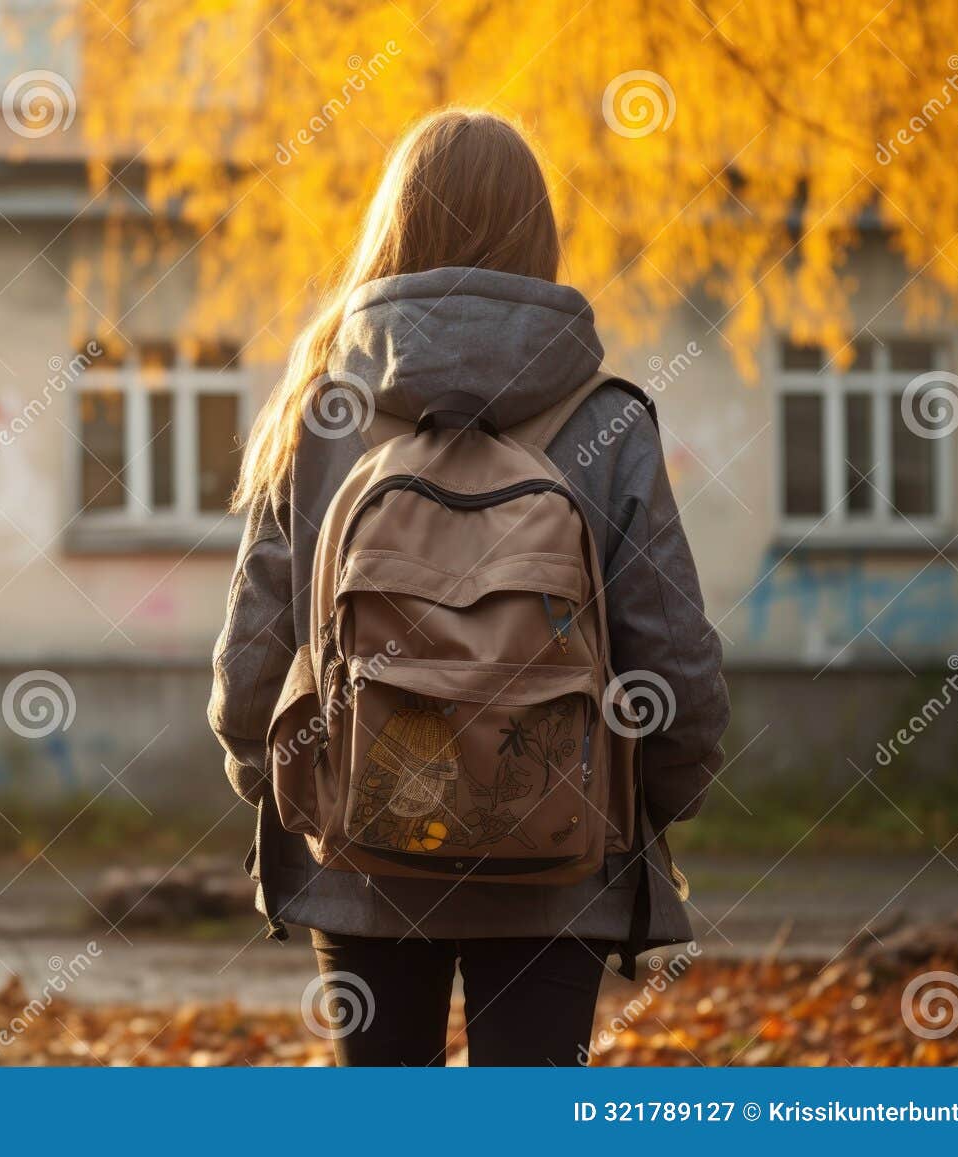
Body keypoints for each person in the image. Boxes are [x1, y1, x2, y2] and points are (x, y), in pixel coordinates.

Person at [208, 108, 730, 1067]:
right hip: (561, 860)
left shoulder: (321, 413)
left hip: (361, 863)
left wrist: (296, 790)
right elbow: (676, 667)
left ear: (391, 227)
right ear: (540, 234)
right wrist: (639, 805)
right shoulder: (606, 421)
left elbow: (250, 664)